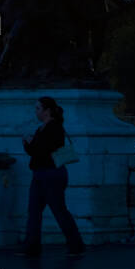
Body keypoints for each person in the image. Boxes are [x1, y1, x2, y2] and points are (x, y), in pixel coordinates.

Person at [21, 96, 85, 256]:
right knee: (34, 211)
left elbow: (42, 150)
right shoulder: (42, 128)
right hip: (41, 173)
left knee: (59, 211)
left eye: (38, 108)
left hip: (51, 174)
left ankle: (76, 246)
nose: (35, 112)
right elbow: (35, 152)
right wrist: (27, 143)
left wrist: (31, 143)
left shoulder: (54, 128)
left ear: (47, 111)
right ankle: (32, 247)